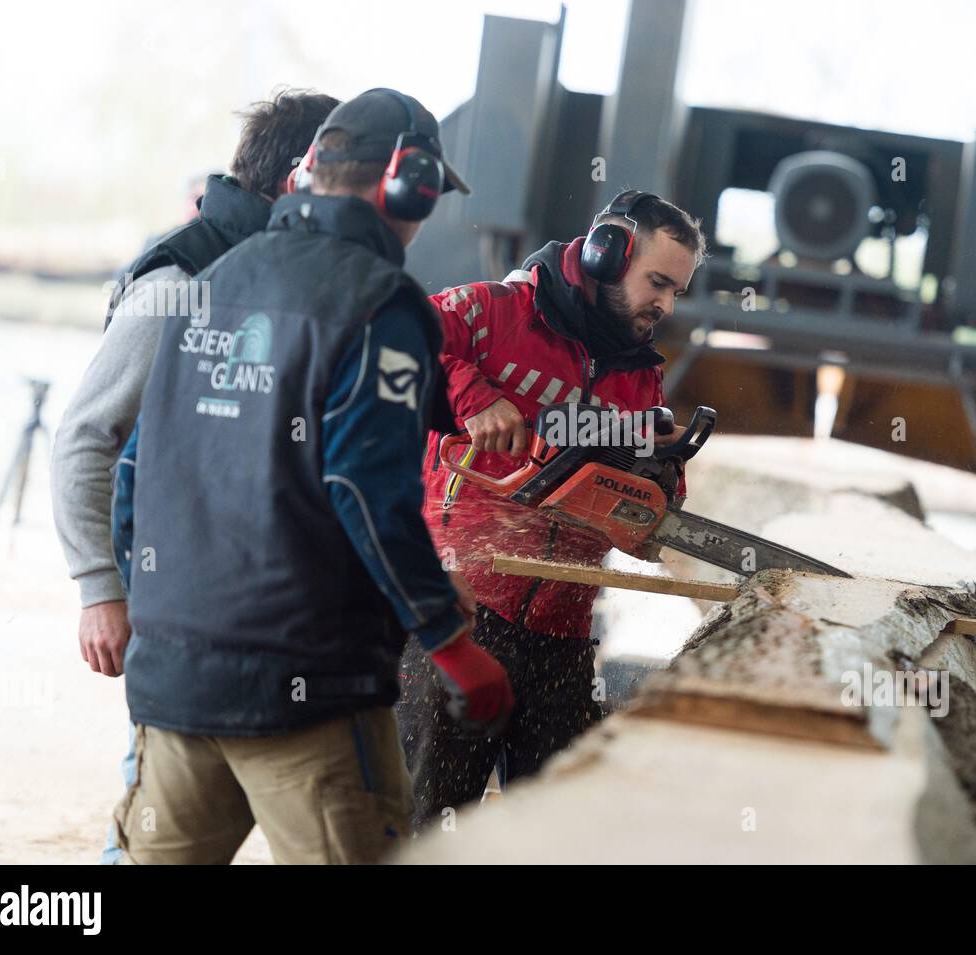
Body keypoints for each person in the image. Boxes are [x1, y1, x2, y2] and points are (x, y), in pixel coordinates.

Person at [108, 88, 513, 864]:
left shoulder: (215, 279)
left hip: (175, 686)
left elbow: (136, 470)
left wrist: (158, 615)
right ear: (410, 181)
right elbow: (366, 487)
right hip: (309, 697)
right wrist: (447, 636)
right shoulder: (380, 304)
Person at [50, 88, 338, 864]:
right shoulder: (184, 281)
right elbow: (84, 436)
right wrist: (98, 588)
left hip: (250, 622)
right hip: (177, 619)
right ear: (300, 180)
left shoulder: (285, 274)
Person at [400, 190, 706, 824]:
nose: (665, 305)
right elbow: (395, 335)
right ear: (606, 253)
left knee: (558, 830)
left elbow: (642, 528)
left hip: (564, 636)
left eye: (676, 291)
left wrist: (657, 487)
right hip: (460, 617)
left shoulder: (639, 377)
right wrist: (471, 393)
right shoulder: (494, 311)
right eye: (657, 283)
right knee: (422, 828)